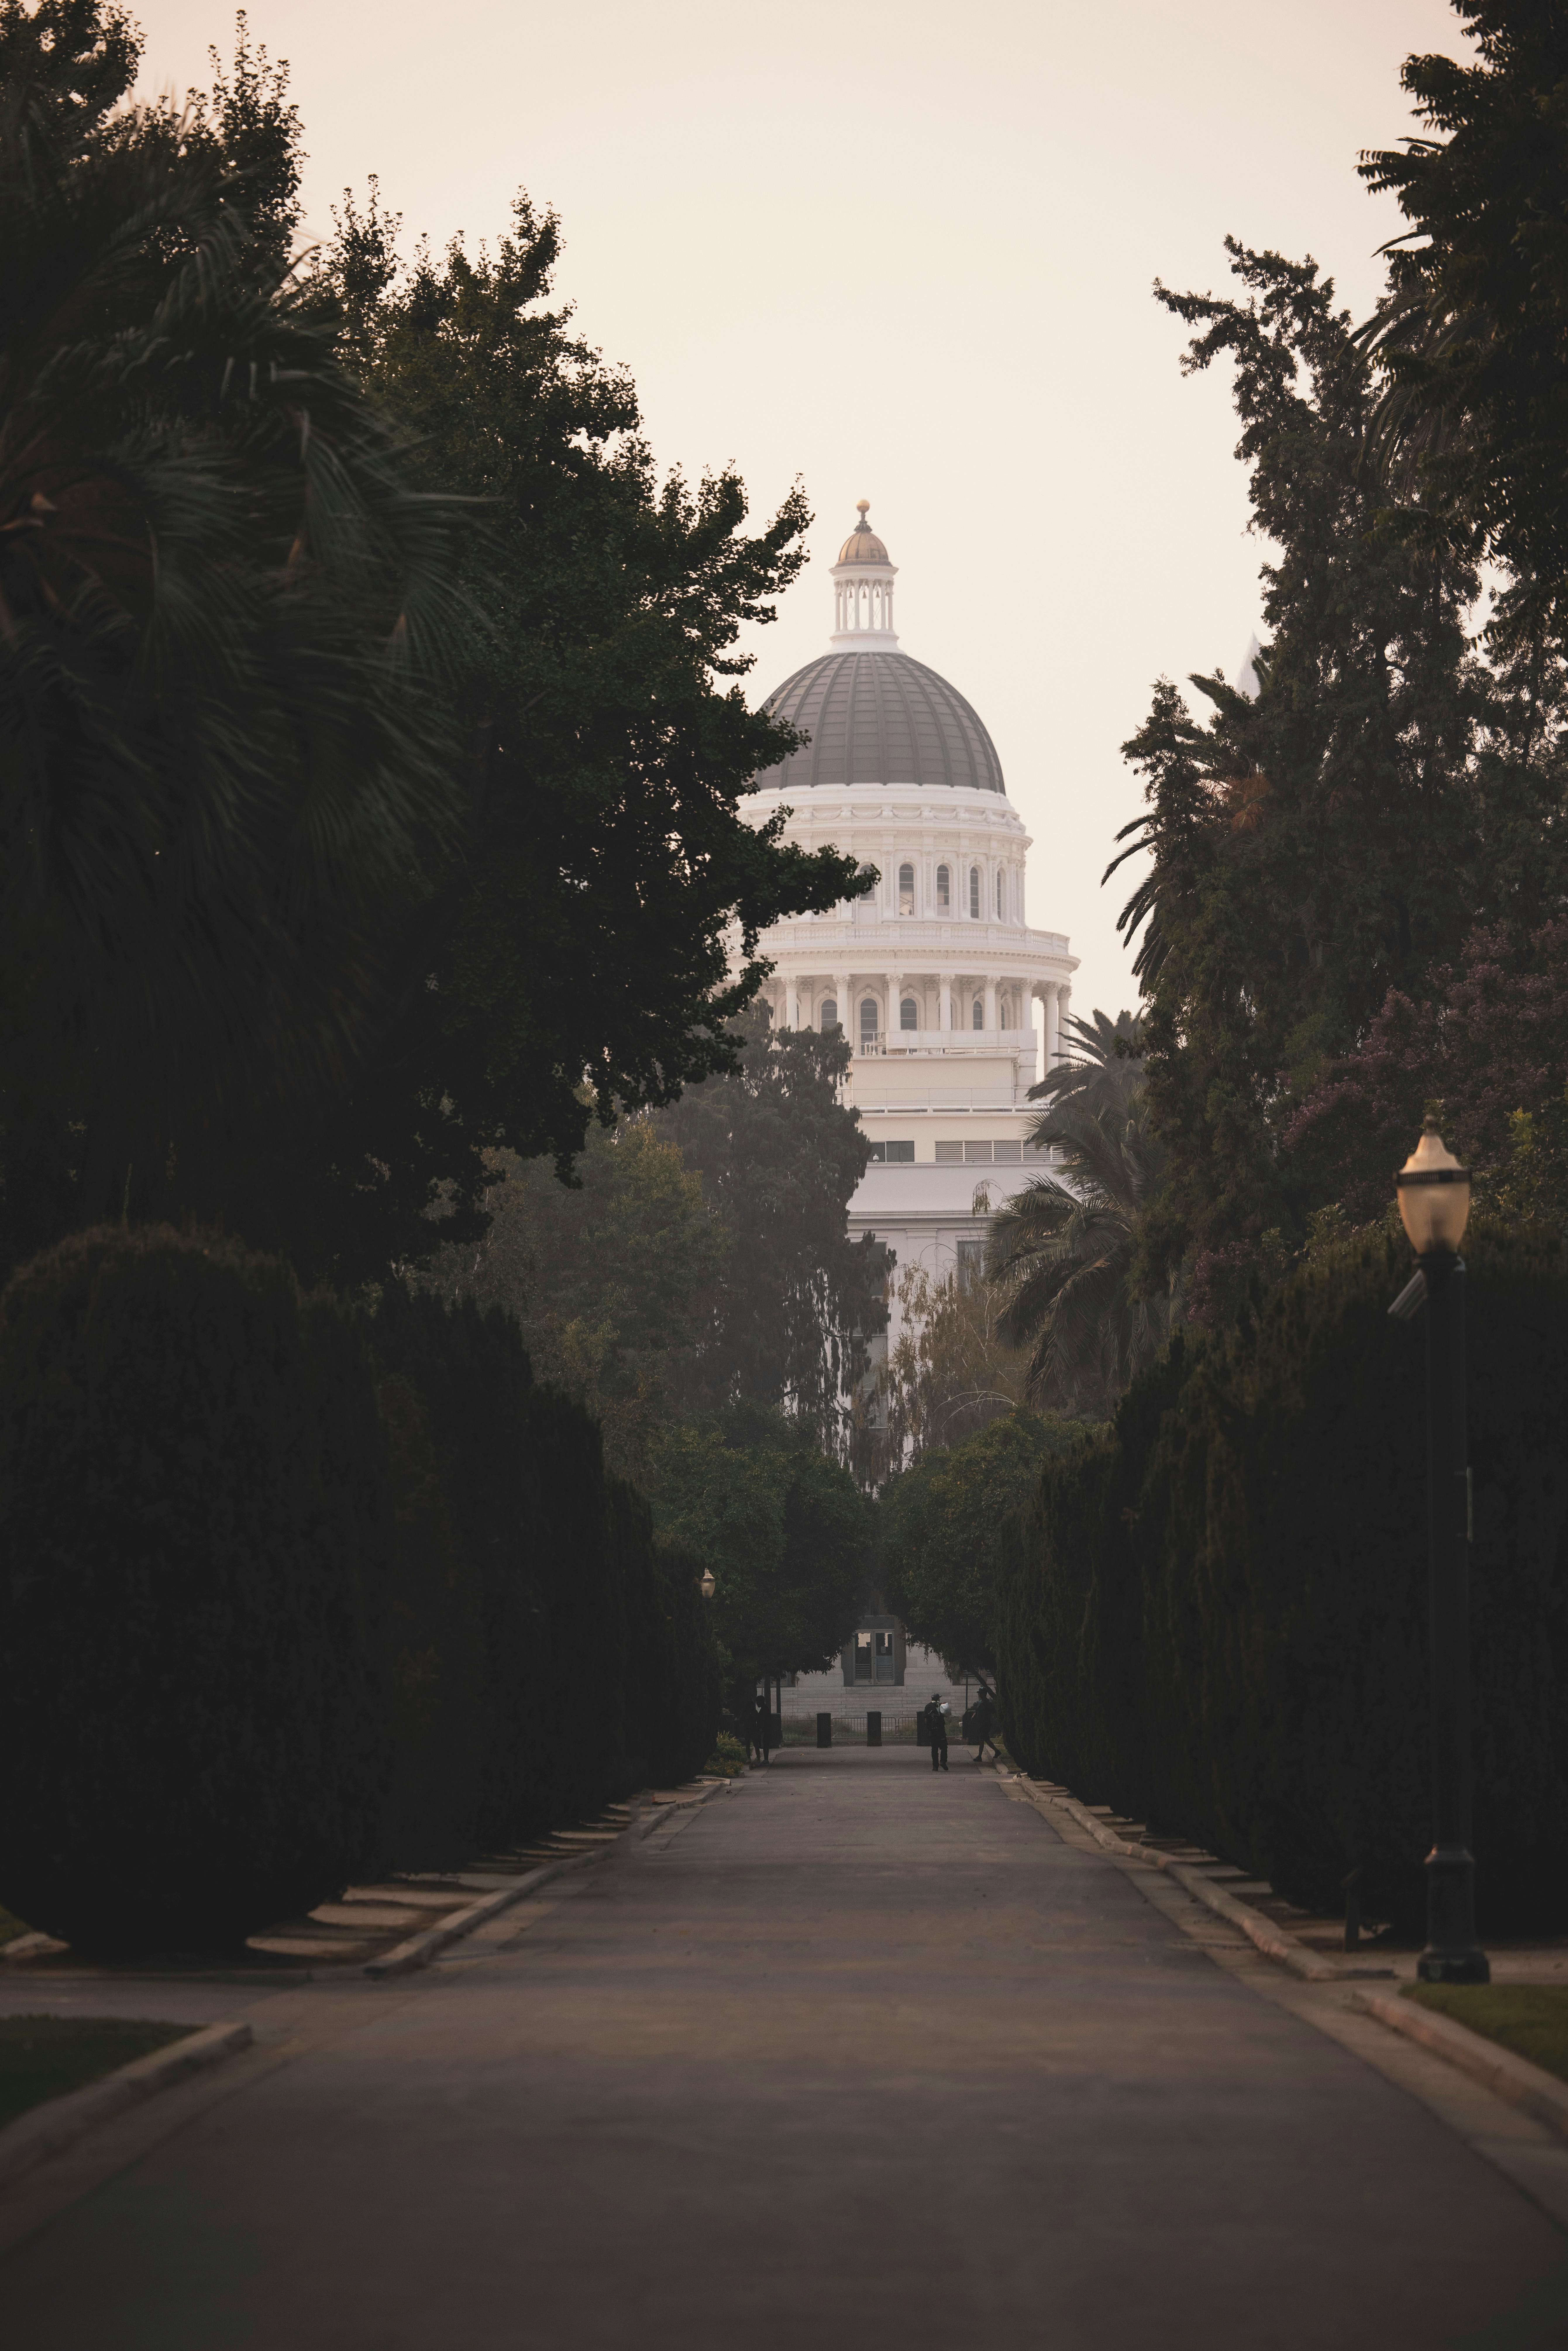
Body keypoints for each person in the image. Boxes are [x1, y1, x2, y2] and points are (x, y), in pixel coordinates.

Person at [970, 1682, 1000, 1765]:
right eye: (980, 1694)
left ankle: (981, 1756)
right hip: (981, 1724)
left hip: (986, 1724)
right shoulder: (980, 1703)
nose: (980, 1695)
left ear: (985, 1694)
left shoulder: (988, 1703)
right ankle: (996, 1751)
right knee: (984, 1739)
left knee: (983, 1739)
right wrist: (974, 1716)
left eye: (981, 1694)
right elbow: (977, 1710)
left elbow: (994, 1713)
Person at [922, 1692, 949, 1772]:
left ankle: (935, 1766)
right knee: (944, 1747)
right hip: (941, 1731)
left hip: (933, 1732)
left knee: (934, 1749)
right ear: (938, 1699)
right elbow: (947, 1714)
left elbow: (926, 1720)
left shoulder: (928, 1706)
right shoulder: (941, 1706)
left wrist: (929, 1729)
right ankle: (943, 1761)